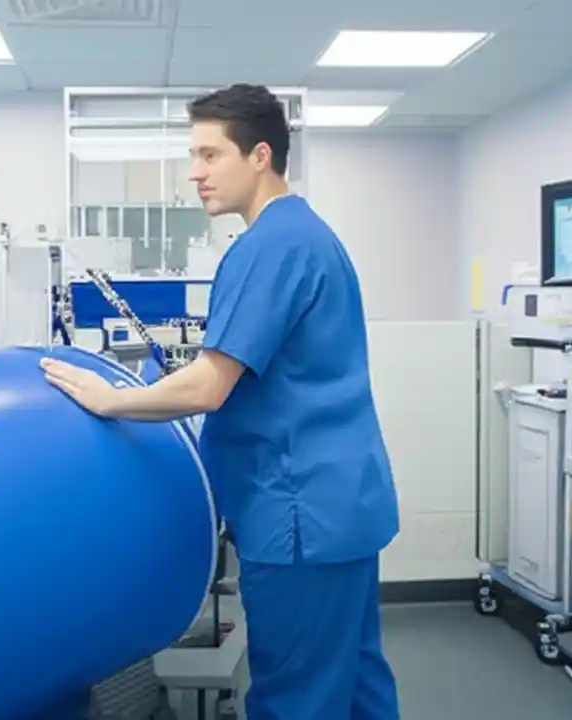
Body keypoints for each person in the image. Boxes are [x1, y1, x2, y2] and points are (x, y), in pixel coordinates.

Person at [40, 84, 400, 719]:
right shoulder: (311, 234)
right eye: (194, 156)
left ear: (260, 156)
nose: (196, 173)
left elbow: (210, 384)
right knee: (356, 683)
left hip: (299, 519)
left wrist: (113, 399)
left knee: (298, 697)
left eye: (210, 155)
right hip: (343, 507)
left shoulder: (270, 246)